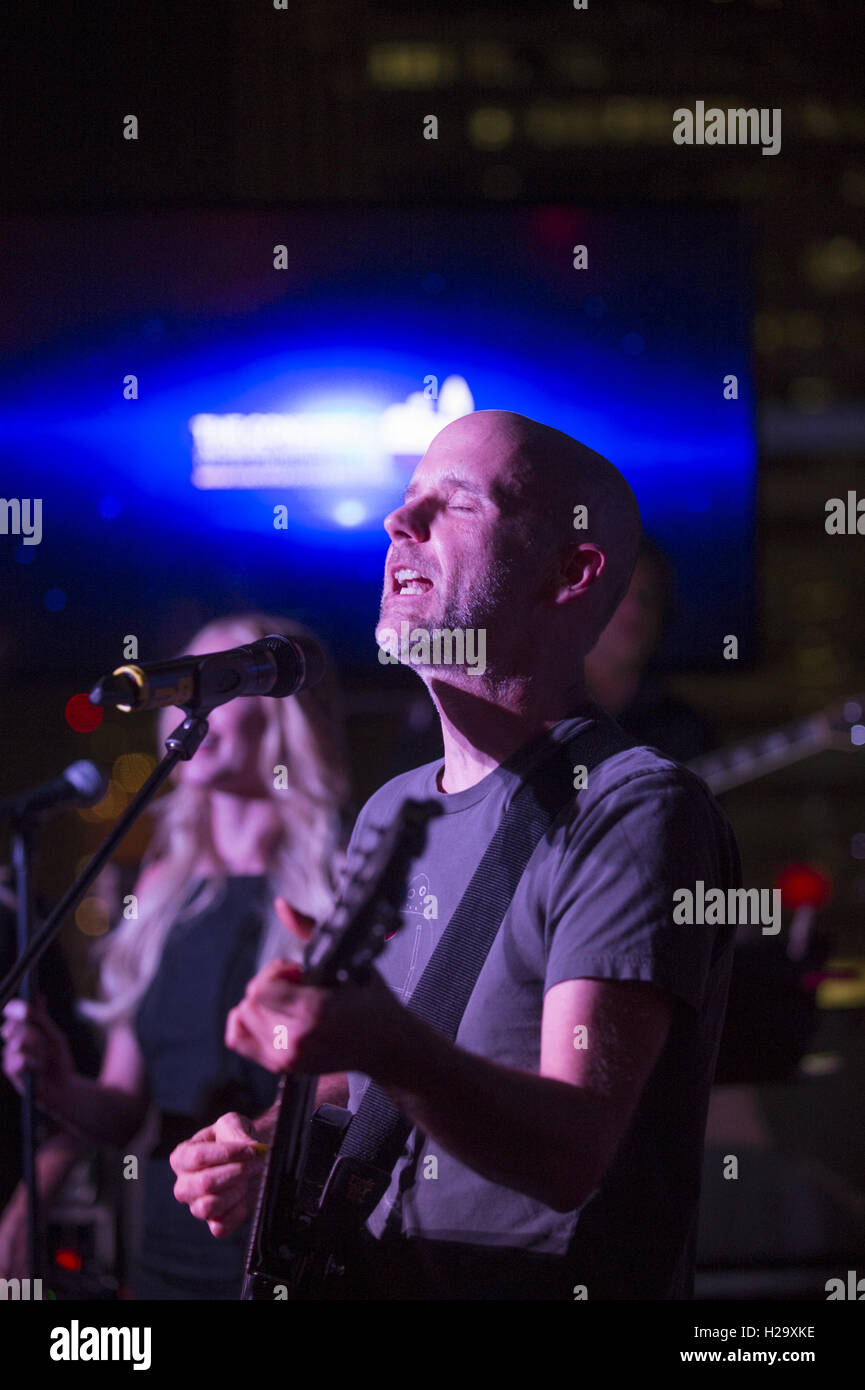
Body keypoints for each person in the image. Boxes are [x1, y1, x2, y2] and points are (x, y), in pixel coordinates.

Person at [171, 412, 741, 1300]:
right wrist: (261, 1139)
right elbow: (363, 1091)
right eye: (406, 505)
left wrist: (383, 1041)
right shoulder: (393, 811)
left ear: (569, 571)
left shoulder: (635, 809)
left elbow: (568, 1151)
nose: (401, 525)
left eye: (457, 506)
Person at [1, 613, 350, 1299]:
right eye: (184, 680)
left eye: (220, 679)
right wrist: (62, 1083)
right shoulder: (163, 891)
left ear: (283, 714)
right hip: (162, 1263)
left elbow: (358, 1090)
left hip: (283, 1266)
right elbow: (127, 1110)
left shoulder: (335, 886)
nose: (191, 700)